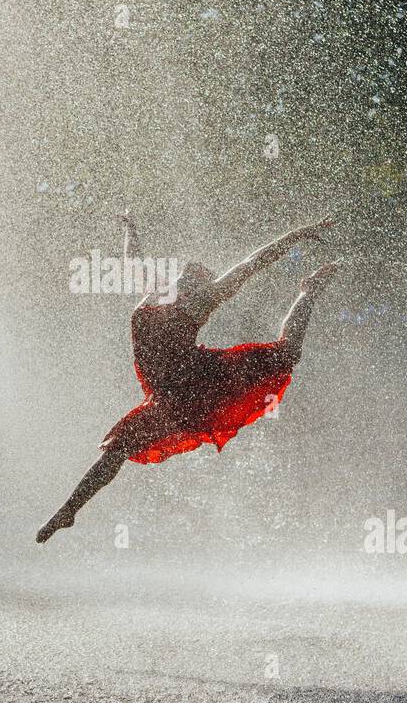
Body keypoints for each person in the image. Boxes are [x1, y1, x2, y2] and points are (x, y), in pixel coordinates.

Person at [36, 211, 339, 543]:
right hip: (167, 396)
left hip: (200, 379)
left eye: (196, 281)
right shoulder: (154, 292)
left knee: (284, 354)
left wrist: (300, 234)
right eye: (186, 277)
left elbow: (254, 262)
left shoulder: (204, 300)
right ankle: (68, 511)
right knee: (117, 446)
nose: (188, 283)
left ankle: (308, 292)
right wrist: (130, 227)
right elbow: (131, 259)